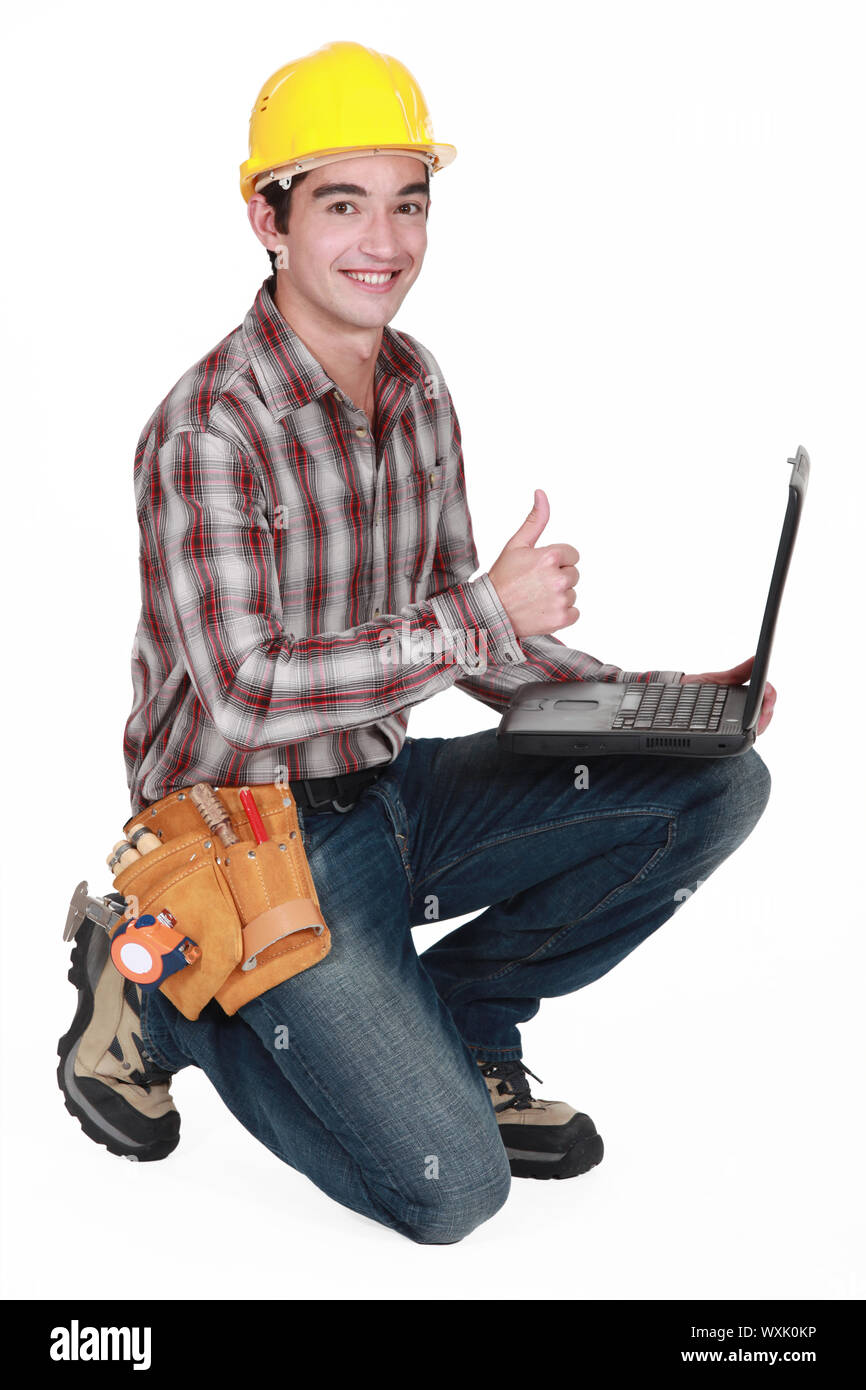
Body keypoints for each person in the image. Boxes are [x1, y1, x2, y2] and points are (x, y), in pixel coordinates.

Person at [58, 40, 775, 1244]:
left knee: (713, 783)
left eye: (407, 202)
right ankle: (162, 994)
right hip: (254, 841)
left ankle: (466, 1021)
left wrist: (652, 703)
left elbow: (461, 630)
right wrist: (485, 611)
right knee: (449, 1191)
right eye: (341, 204)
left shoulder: (416, 385)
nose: (380, 239)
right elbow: (242, 694)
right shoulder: (206, 429)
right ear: (266, 219)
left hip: (388, 794)